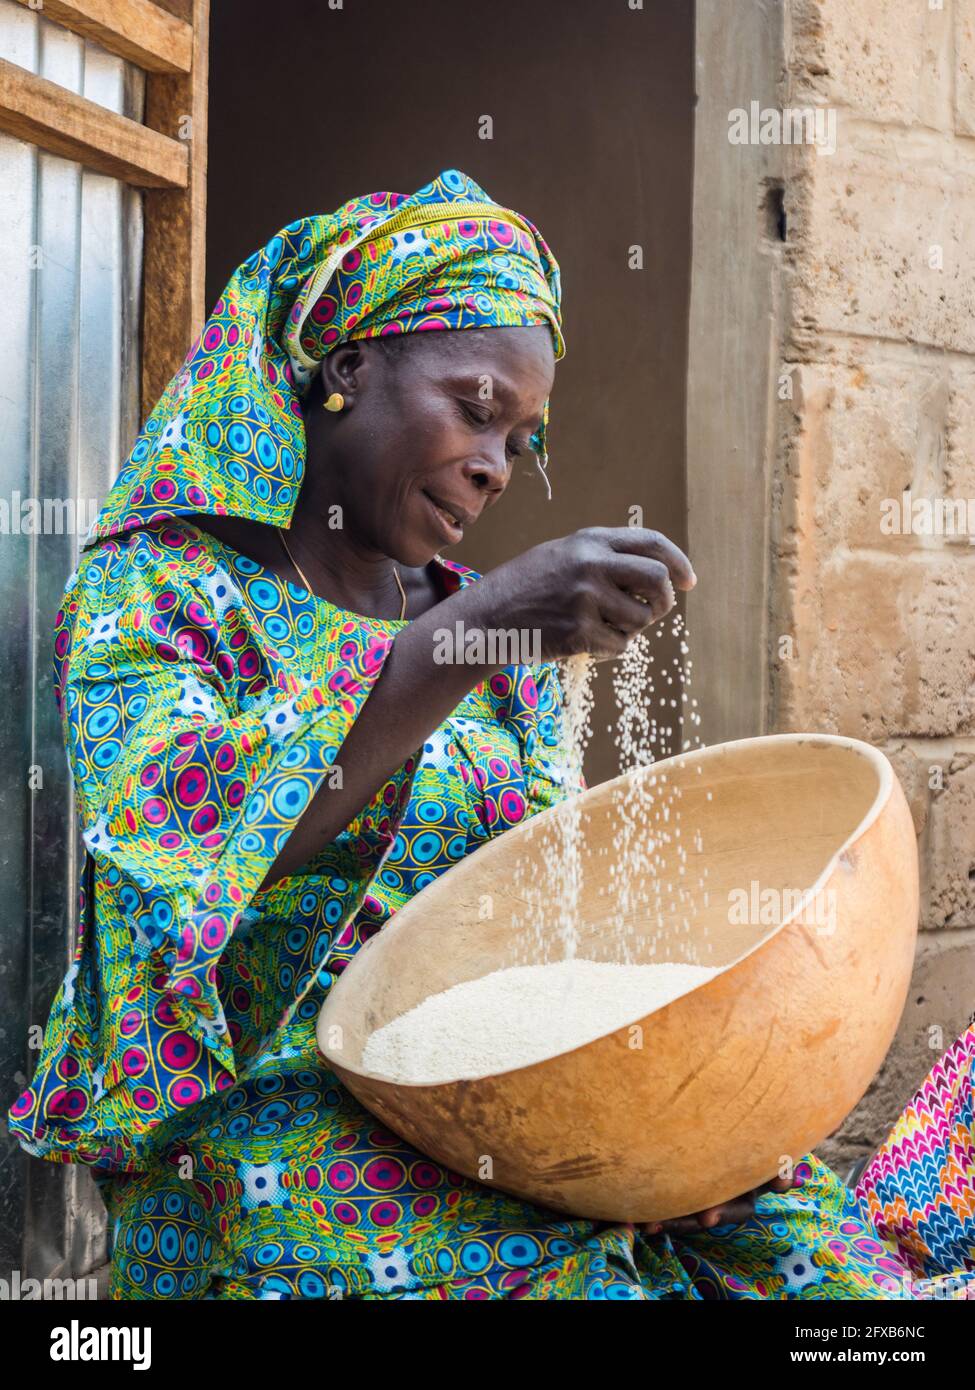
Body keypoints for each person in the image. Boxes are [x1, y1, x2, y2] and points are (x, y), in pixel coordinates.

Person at [7, 168, 973, 1299]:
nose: (496, 466)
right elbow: (182, 847)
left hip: (518, 1104)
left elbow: (538, 930)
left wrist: (675, 1118)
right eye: (477, 408)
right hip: (277, 1134)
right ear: (348, 364)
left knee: (844, 1292)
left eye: (521, 438)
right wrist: (476, 629)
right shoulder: (161, 594)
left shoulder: (478, 633)